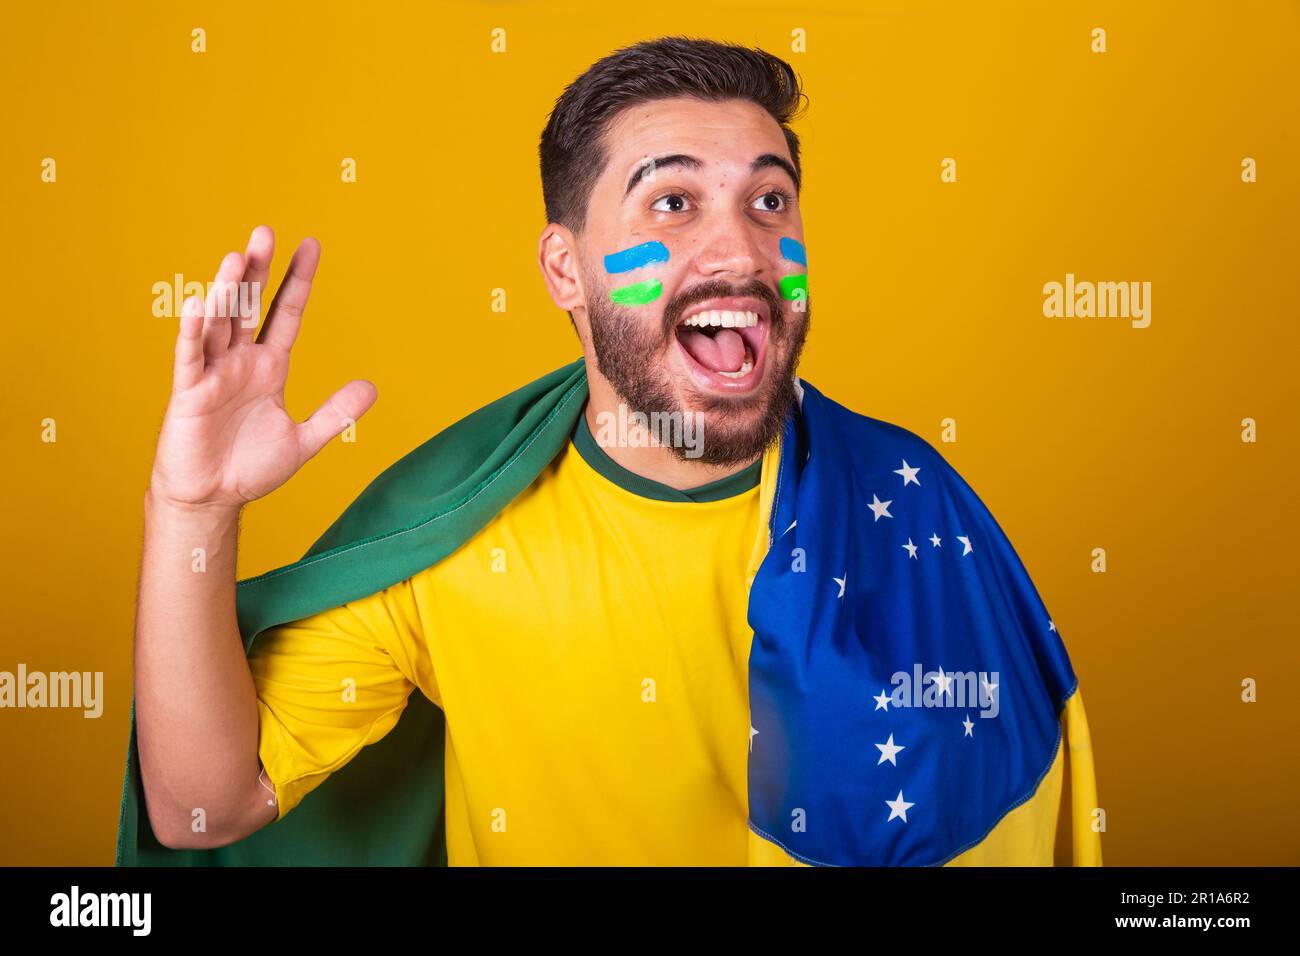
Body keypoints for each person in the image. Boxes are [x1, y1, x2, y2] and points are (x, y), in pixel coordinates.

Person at [118, 36, 1100, 867]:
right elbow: (204, 804)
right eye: (671, 203)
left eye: (769, 202)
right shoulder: (456, 539)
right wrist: (191, 509)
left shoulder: (916, 504)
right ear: (565, 270)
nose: (742, 253)